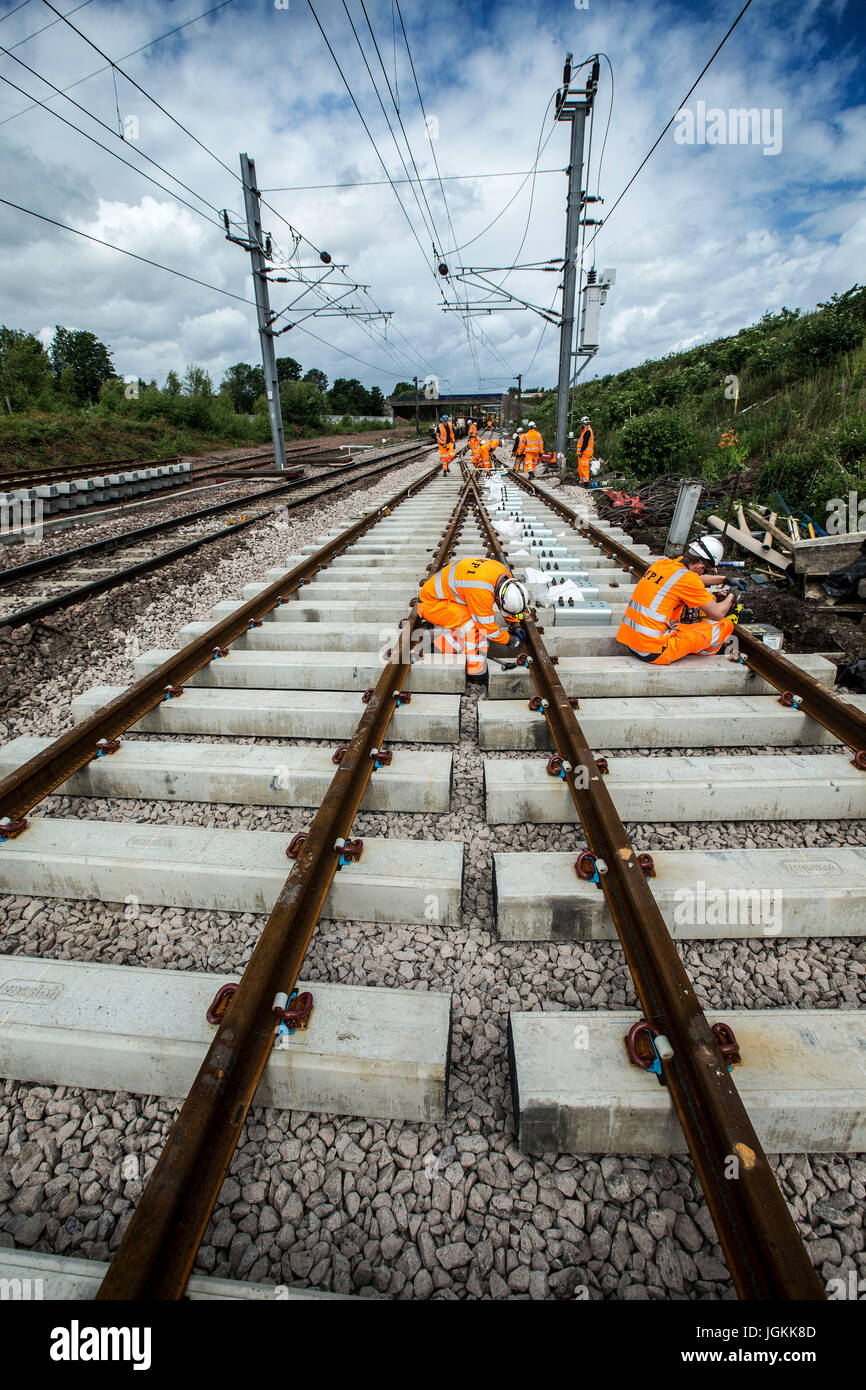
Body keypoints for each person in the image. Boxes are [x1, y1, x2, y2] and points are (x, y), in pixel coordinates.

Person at [615, 535, 735, 665]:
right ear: (700, 566)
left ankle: (686, 645)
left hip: (632, 642)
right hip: (655, 650)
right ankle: (696, 653)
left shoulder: (663, 564)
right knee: (724, 625)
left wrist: (723, 579)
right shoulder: (689, 579)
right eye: (705, 571)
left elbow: (689, 580)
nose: (703, 575)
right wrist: (732, 595)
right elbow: (717, 614)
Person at [417, 560, 529, 678]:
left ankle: (439, 648)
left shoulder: (504, 574)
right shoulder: (481, 589)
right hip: (432, 604)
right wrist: (509, 640)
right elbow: (488, 628)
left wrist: (515, 623)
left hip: (444, 597)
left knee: (469, 622)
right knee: (473, 627)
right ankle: (474, 672)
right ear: (497, 597)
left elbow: (508, 602)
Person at [577, 416, 594, 484]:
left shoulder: (587, 431)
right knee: (581, 466)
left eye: (582, 423)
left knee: (584, 467)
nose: (581, 425)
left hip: (585, 452)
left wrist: (581, 451)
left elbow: (585, 443)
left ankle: (586, 481)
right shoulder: (586, 430)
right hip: (584, 452)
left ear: (583, 423)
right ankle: (582, 480)